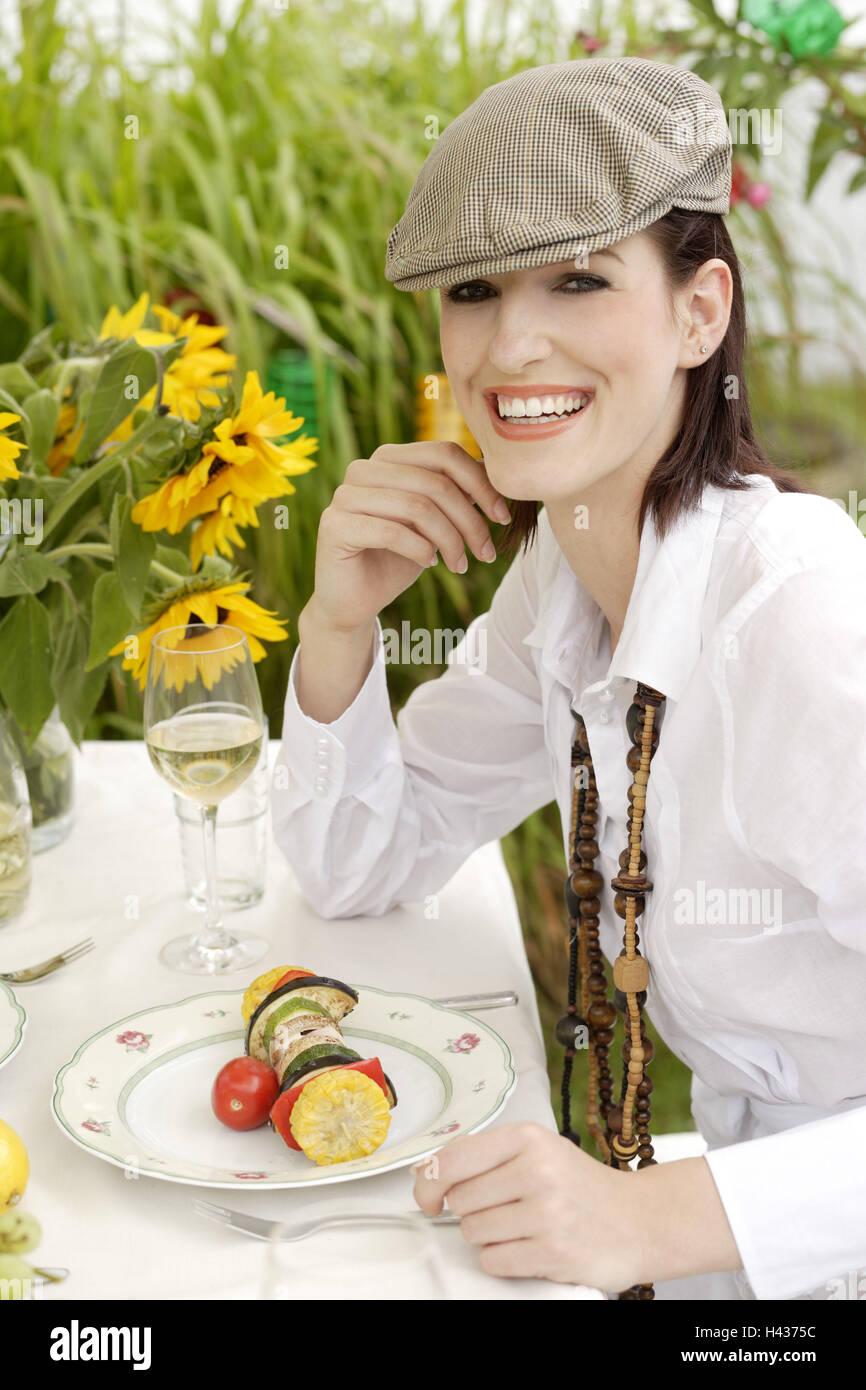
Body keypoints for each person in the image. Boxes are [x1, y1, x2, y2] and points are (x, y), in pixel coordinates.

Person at [270, 56, 866, 1300]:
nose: (511, 343)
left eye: (580, 278)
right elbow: (359, 863)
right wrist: (337, 621)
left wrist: (646, 1222)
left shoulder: (797, 623)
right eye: (474, 289)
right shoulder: (568, 574)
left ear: (700, 313)